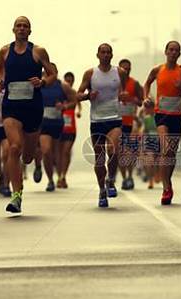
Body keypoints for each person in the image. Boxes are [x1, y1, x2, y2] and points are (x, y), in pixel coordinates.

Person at [0, 16, 55, 213]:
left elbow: (52, 72)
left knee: (27, 156)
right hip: (11, 107)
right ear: (13, 29)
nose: (21, 29)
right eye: (18, 26)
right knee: (14, 147)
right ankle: (16, 195)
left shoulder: (37, 51)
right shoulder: (5, 51)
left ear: (30, 31)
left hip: (33, 108)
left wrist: (43, 82)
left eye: (25, 26)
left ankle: (30, 163)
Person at [143, 41, 181, 205]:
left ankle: (168, 182)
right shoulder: (158, 70)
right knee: (165, 150)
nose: (173, 52)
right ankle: (166, 187)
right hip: (161, 116)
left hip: (177, 116)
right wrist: (146, 97)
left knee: (171, 154)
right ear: (165, 52)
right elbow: (147, 83)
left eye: (176, 50)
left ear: (179, 54)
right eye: (171, 50)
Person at [77, 43, 127, 208]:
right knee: (99, 160)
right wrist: (87, 96)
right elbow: (77, 95)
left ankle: (111, 179)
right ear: (97, 55)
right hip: (97, 121)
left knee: (113, 150)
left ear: (112, 55)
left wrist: (125, 96)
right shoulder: (91, 73)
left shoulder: (119, 72)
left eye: (108, 52)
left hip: (114, 119)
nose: (105, 55)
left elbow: (125, 91)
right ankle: (101, 191)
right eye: (103, 52)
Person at [39, 63, 77, 192]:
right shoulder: (40, 85)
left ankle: (60, 176)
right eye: (47, 72)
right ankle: (50, 179)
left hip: (57, 124)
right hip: (43, 124)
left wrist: (65, 107)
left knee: (56, 155)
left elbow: (74, 100)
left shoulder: (62, 86)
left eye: (52, 72)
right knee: (46, 151)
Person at [117, 58, 143, 190]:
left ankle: (130, 175)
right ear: (118, 69)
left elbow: (141, 101)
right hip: (116, 122)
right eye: (123, 68)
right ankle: (124, 178)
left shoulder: (135, 84)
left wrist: (131, 98)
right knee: (120, 152)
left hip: (130, 122)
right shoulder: (113, 83)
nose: (126, 70)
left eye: (128, 68)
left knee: (131, 152)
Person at [55, 71, 81, 188]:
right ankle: (59, 175)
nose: (69, 82)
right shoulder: (59, 92)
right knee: (58, 154)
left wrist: (79, 112)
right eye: (67, 80)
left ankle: (63, 176)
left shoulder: (73, 94)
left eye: (71, 80)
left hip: (70, 128)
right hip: (59, 126)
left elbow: (78, 104)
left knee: (66, 152)